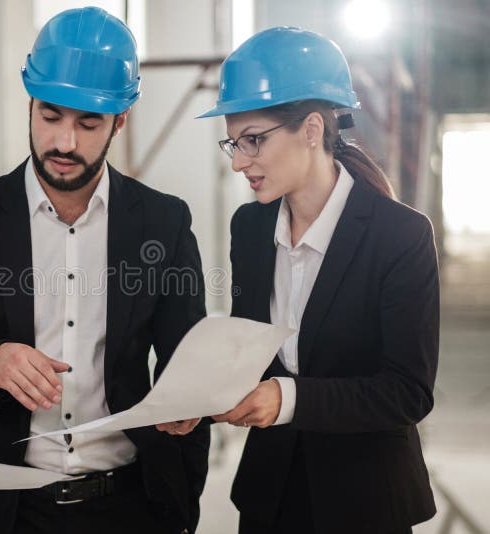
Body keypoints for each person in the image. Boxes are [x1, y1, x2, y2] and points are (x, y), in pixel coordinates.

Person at [0, 7, 209, 534]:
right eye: (50, 116)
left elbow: (189, 374)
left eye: (88, 124)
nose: (64, 143)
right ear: (31, 102)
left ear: (119, 120)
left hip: (130, 509)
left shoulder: (163, 222)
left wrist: (179, 493)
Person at [185, 26, 438, 533]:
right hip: (269, 498)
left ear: (313, 129)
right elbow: (252, 349)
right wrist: (200, 399)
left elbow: (407, 392)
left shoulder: (400, 236)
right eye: (233, 142)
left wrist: (288, 398)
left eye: (253, 140)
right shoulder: (251, 227)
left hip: (367, 502)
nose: (238, 162)